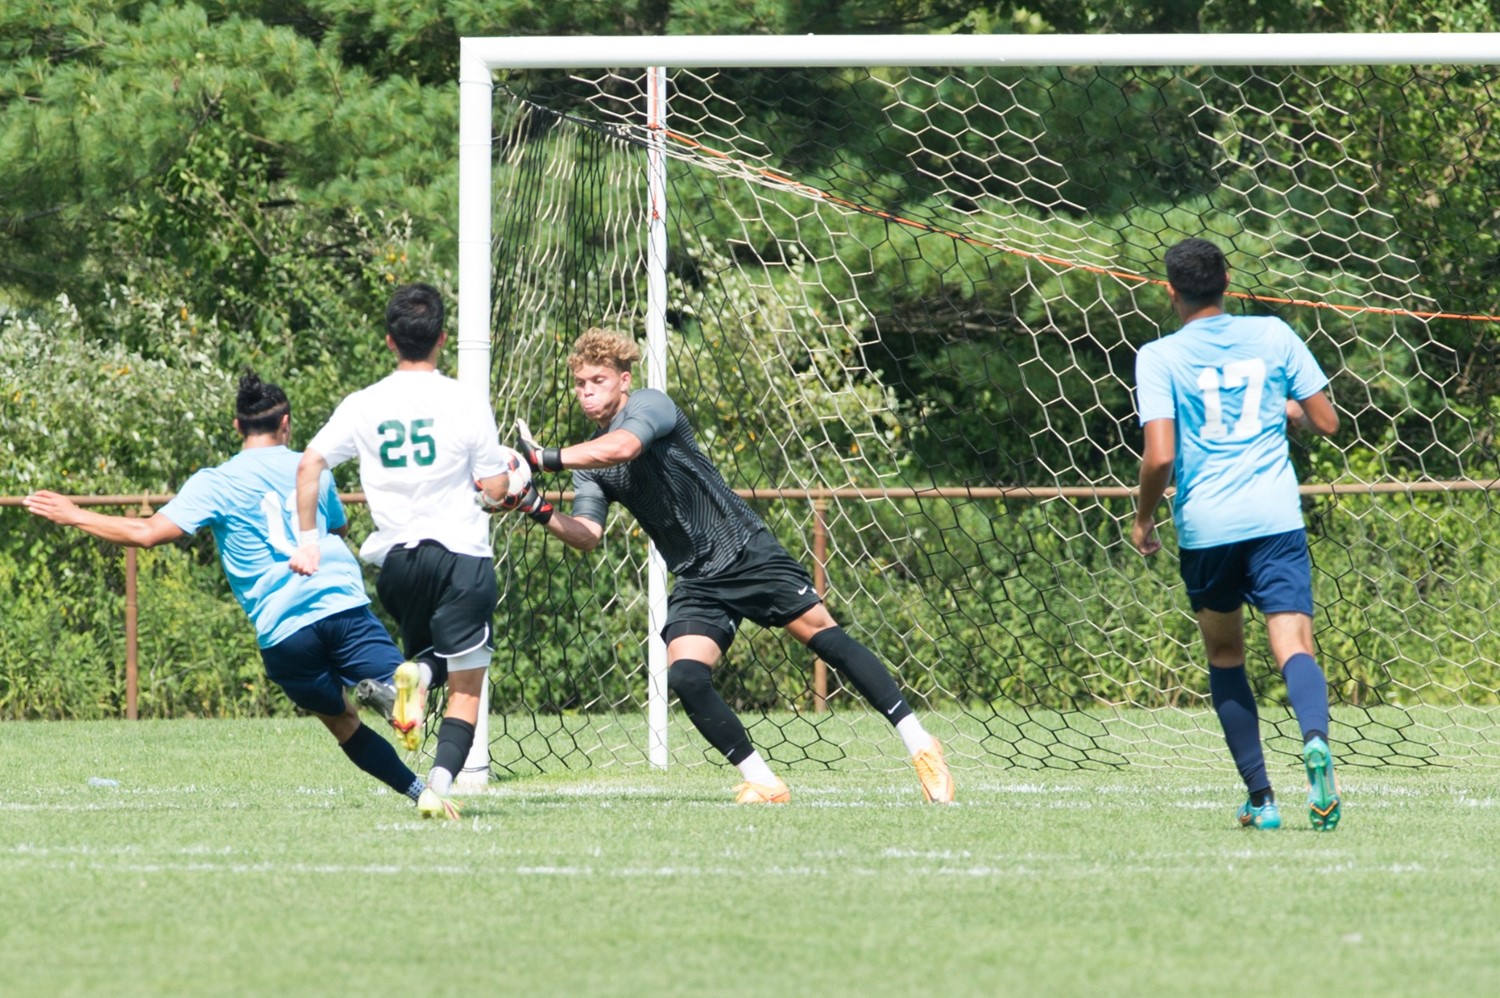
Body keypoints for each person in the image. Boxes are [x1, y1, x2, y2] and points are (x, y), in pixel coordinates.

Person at [505, 327, 954, 804]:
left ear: (623, 380)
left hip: (744, 551)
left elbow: (625, 447)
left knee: (828, 642)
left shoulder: (650, 405)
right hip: (698, 578)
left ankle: (922, 746)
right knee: (686, 677)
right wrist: (534, 506)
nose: (587, 390)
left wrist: (541, 458)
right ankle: (763, 780)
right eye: (579, 383)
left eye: (598, 379)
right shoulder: (588, 461)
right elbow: (587, 536)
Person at [22, 372, 455, 817]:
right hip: (338, 601)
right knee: (417, 677)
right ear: (285, 423)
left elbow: (147, 533)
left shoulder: (215, 481)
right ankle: (393, 690)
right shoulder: (311, 467)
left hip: (283, 628)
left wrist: (75, 514)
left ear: (237, 427)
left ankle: (419, 791)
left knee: (344, 723)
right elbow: (336, 528)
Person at [289, 282, 524, 819]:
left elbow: (309, 465)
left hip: (397, 567)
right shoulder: (464, 399)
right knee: (466, 685)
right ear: (442, 338)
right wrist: (506, 486)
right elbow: (492, 488)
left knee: (431, 663)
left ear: (390, 342)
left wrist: (309, 543)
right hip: (461, 556)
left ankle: (419, 690)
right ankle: (439, 782)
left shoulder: (363, 404)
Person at [1131, 237, 1342, 831]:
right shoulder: (1273, 334)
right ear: (1229, 281)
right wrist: (1287, 414)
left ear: (1170, 291)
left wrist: (1144, 517)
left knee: (1226, 655)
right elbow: (1324, 420)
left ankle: (1262, 799)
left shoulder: (1158, 355)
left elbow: (1160, 456)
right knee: (1294, 646)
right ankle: (1315, 740)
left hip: (1208, 526)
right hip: (1275, 517)